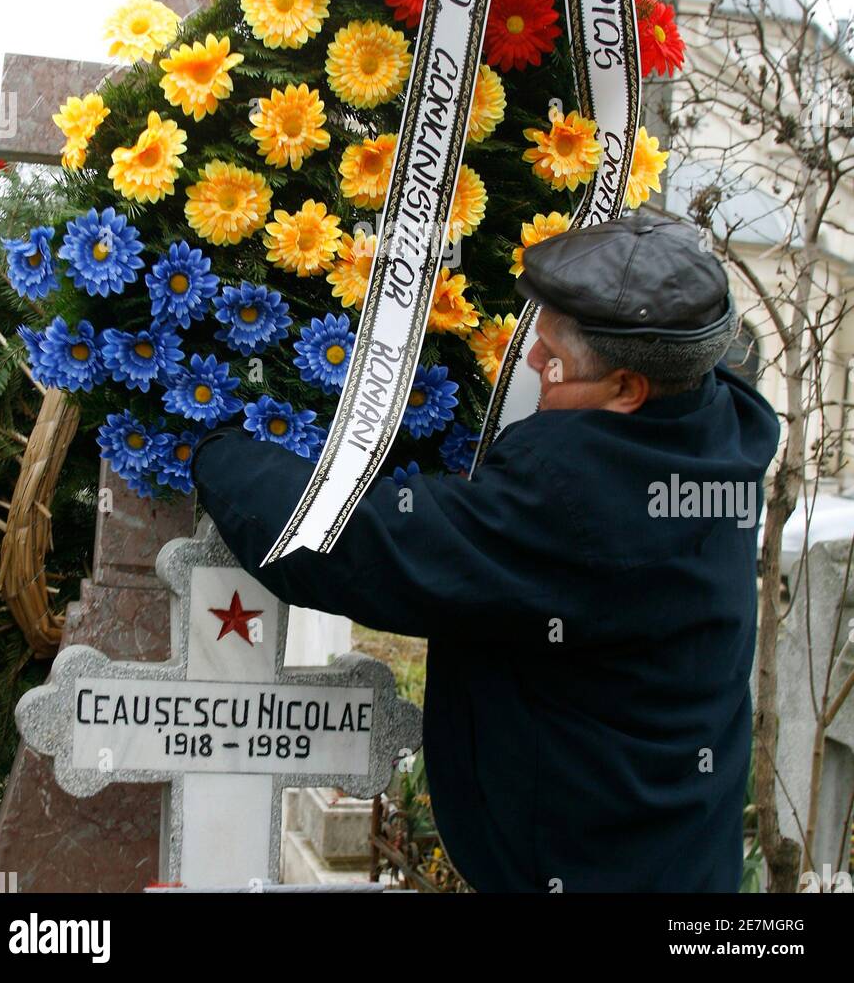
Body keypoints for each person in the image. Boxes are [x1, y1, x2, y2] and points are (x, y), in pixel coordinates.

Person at [191, 214, 781, 893]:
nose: (529, 359)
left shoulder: (582, 503)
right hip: (676, 858)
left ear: (626, 389)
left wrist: (211, 448)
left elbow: (355, 543)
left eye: (553, 355)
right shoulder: (717, 424)